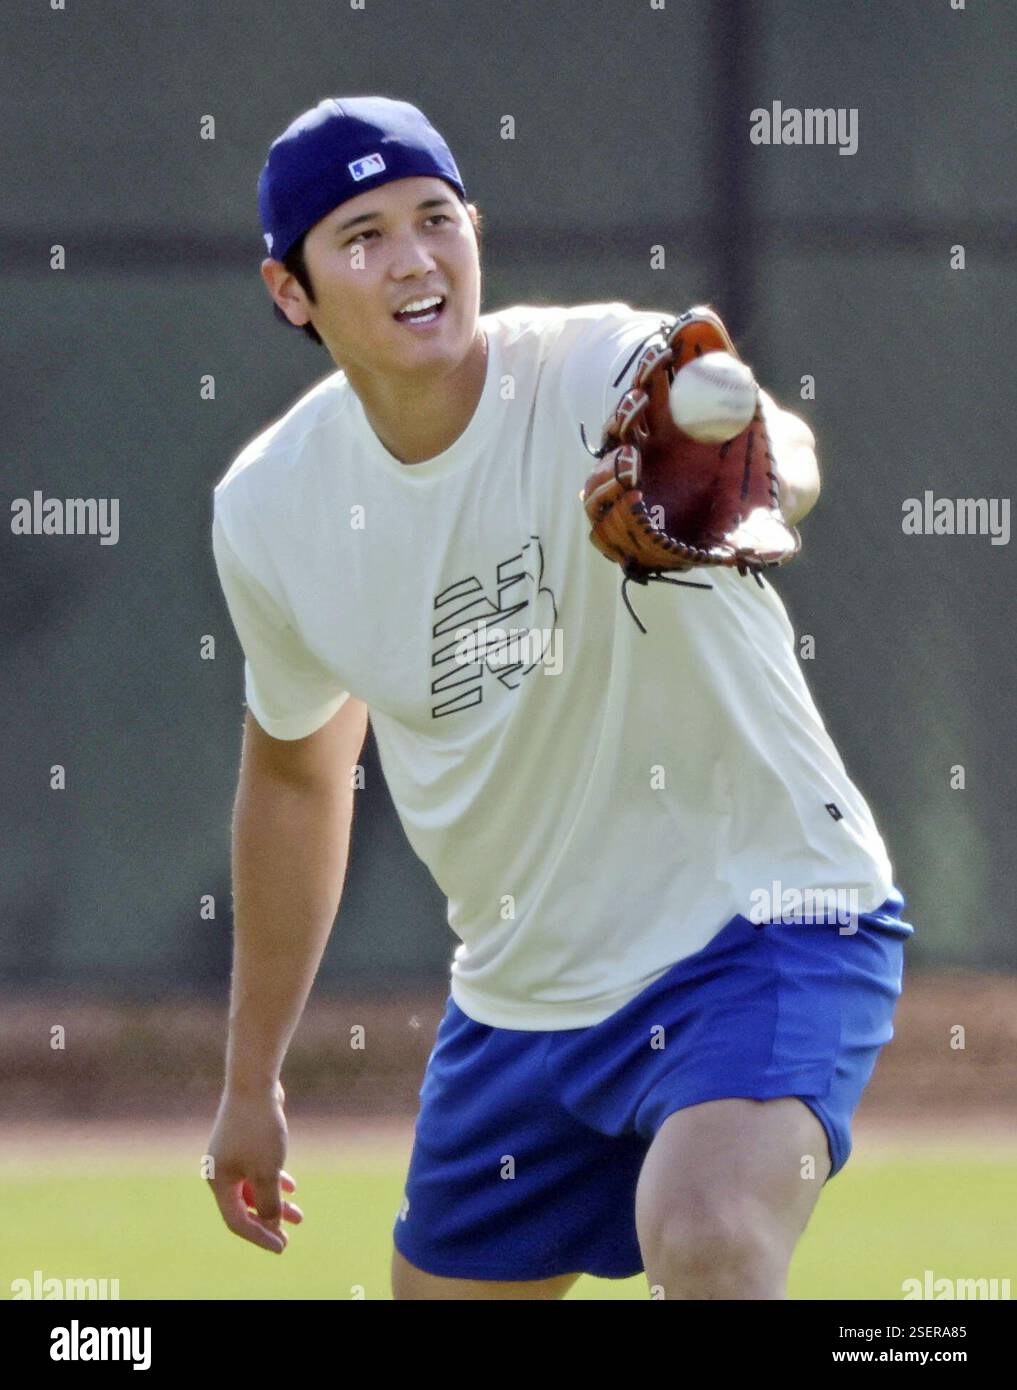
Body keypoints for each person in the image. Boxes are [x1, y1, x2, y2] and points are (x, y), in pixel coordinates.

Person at [206, 95, 914, 1301]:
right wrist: (248, 1078)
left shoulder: (598, 367)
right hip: (522, 996)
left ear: (475, 230)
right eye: (362, 233)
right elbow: (297, 774)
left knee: (707, 1231)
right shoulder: (273, 509)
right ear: (292, 291)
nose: (415, 256)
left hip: (761, 921)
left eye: (437, 217)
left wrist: (737, 487)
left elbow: (771, 439)